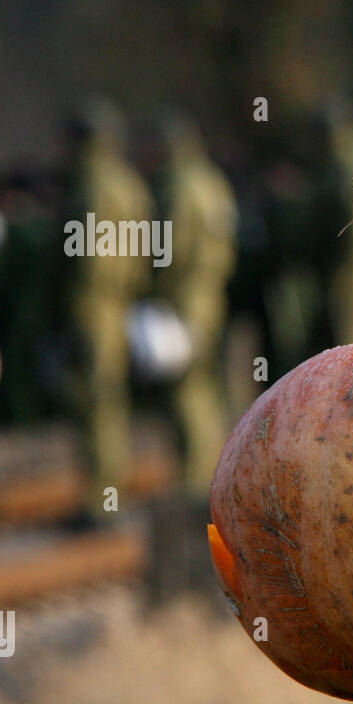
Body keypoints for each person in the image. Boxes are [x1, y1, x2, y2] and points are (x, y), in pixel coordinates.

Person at [66, 97, 152, 520]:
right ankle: (111, 493)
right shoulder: (129, 183)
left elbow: (88, 257)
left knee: (97, 401)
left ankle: (101, 500)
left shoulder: (91, 184)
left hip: (95, 303)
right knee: (112, 400)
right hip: (122, 301)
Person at [154, 112, 238, 496]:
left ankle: (195, 478)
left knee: (187, 388)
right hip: (210, 293)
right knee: (204, 383)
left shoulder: (178, 186)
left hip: (185, 297)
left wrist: (160, 290)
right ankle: (211, 470)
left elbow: (173, 248)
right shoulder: (212, 181)